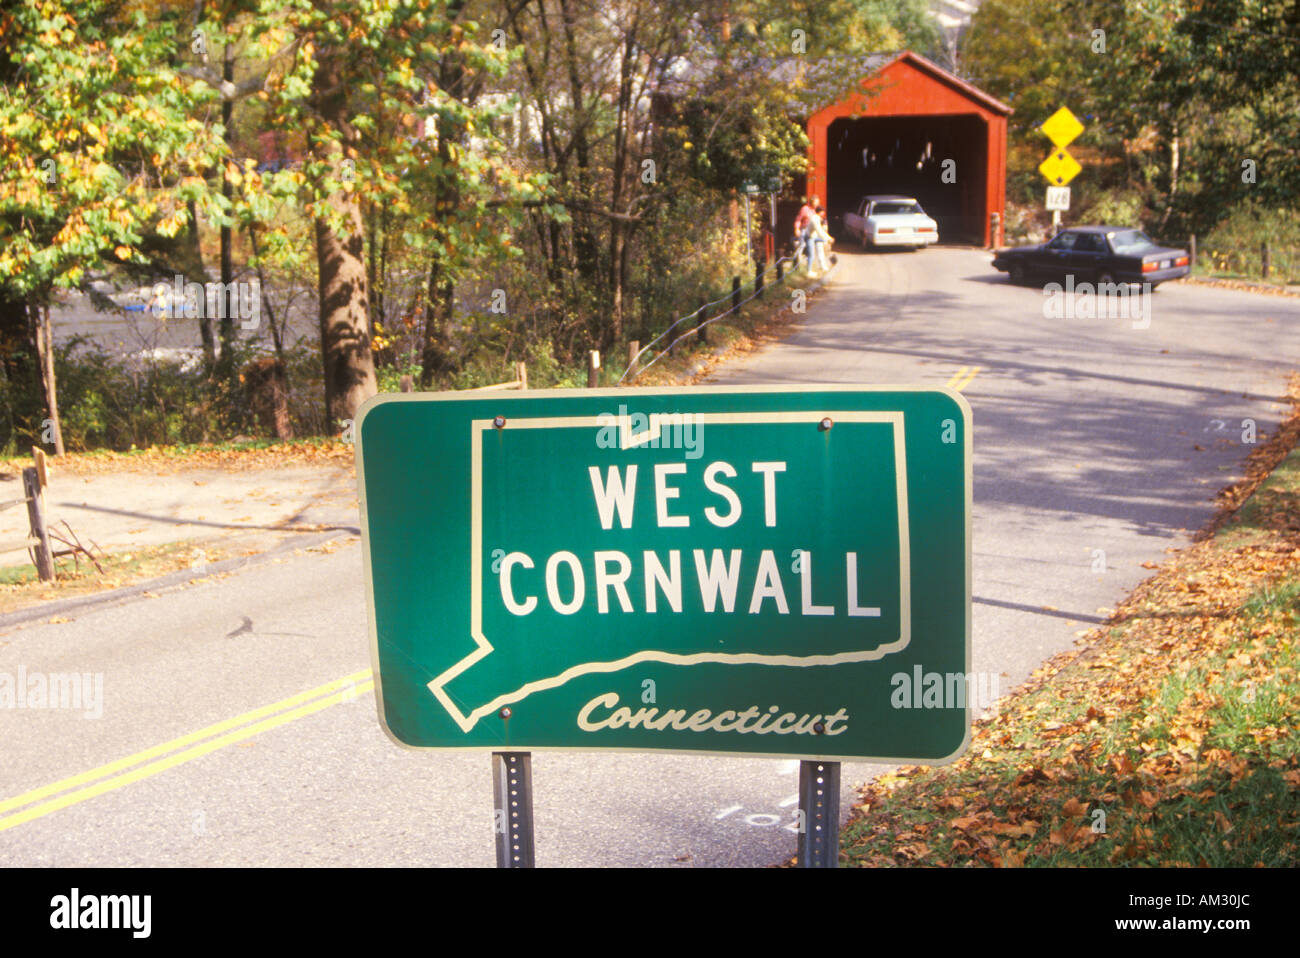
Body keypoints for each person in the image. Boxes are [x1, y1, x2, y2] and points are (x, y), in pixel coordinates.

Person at [792, 197, 815, 267]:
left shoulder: (813, 210)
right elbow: (798, 219)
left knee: (810, 247)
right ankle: (796, 263)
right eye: (815, 202)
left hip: (810, 230)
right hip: (804, 229)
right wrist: (797, 228)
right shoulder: (805, 209)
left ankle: (808, 266)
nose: (817, 204)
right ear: (811, 201)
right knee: (801, 245)